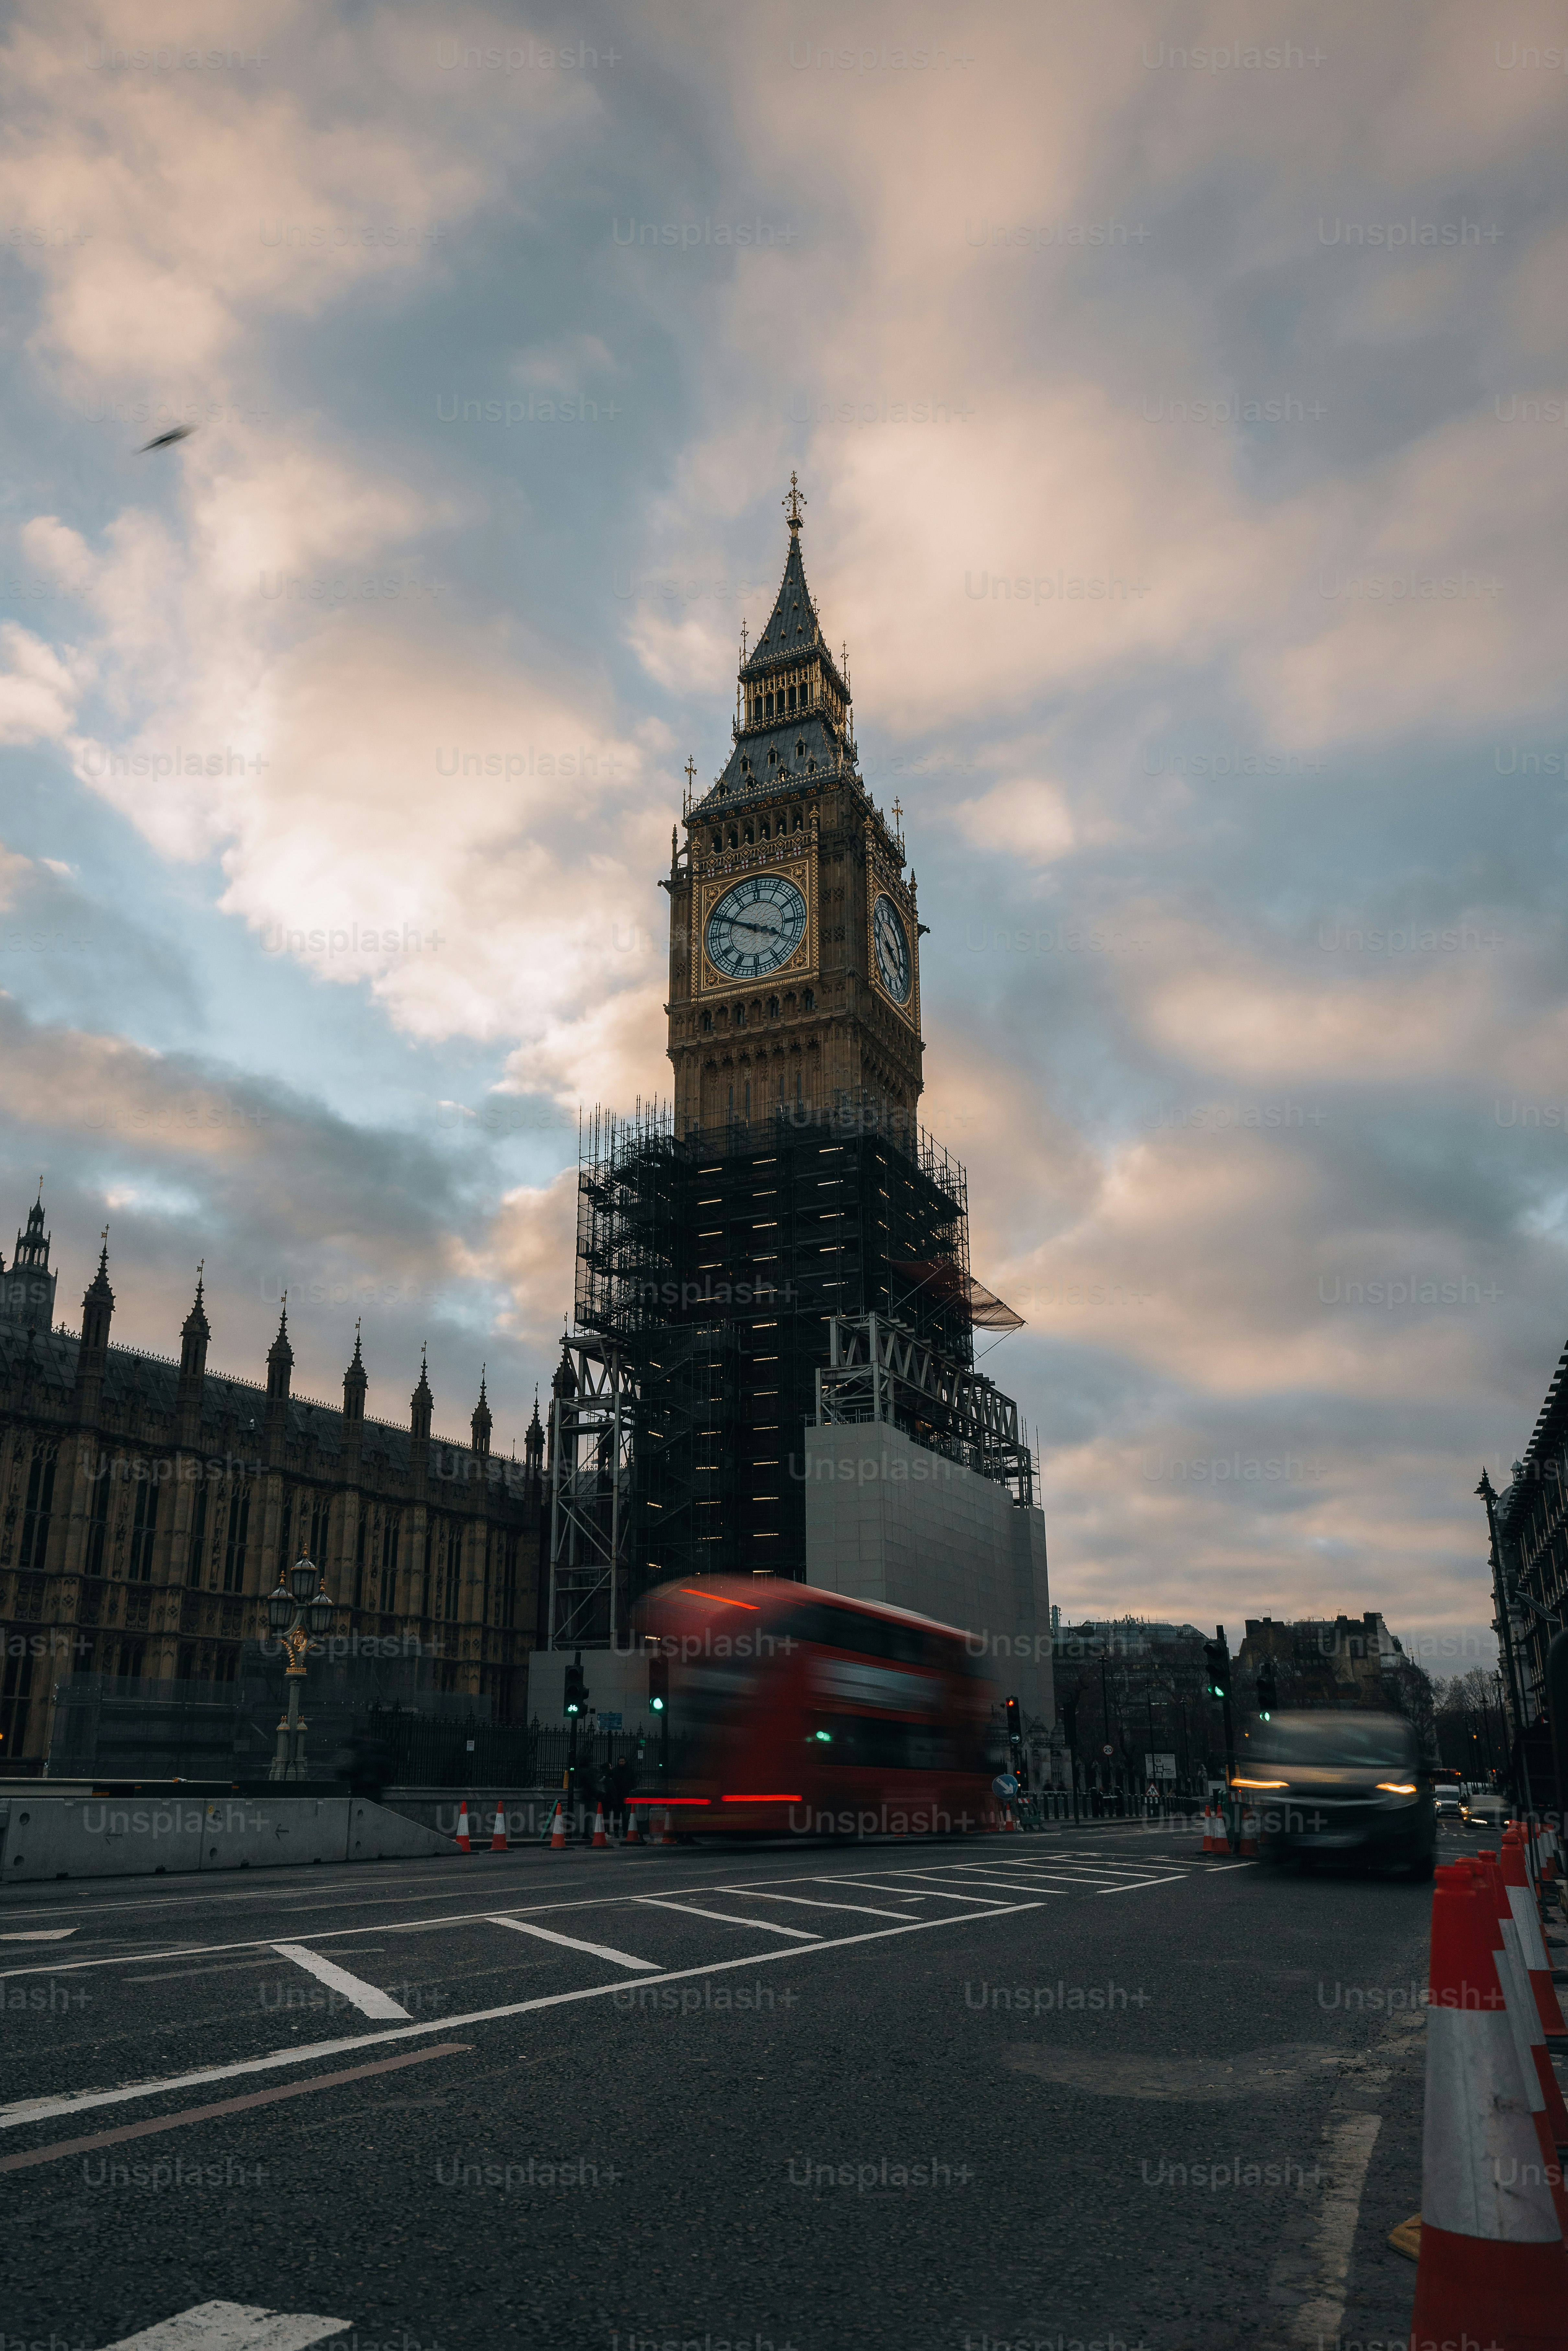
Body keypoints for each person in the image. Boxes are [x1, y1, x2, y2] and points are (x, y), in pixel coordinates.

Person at [605, 1752, 633, 1839]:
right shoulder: (625, 1771)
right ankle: (618, 1831)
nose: (621, 1763)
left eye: (622, 1762)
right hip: (619, 1797)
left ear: (625, 1762)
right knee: (618, 1815)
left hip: (622, 1797)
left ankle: (623, 1831)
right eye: (620, 1762)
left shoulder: (618, 1771)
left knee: (623, 1815)